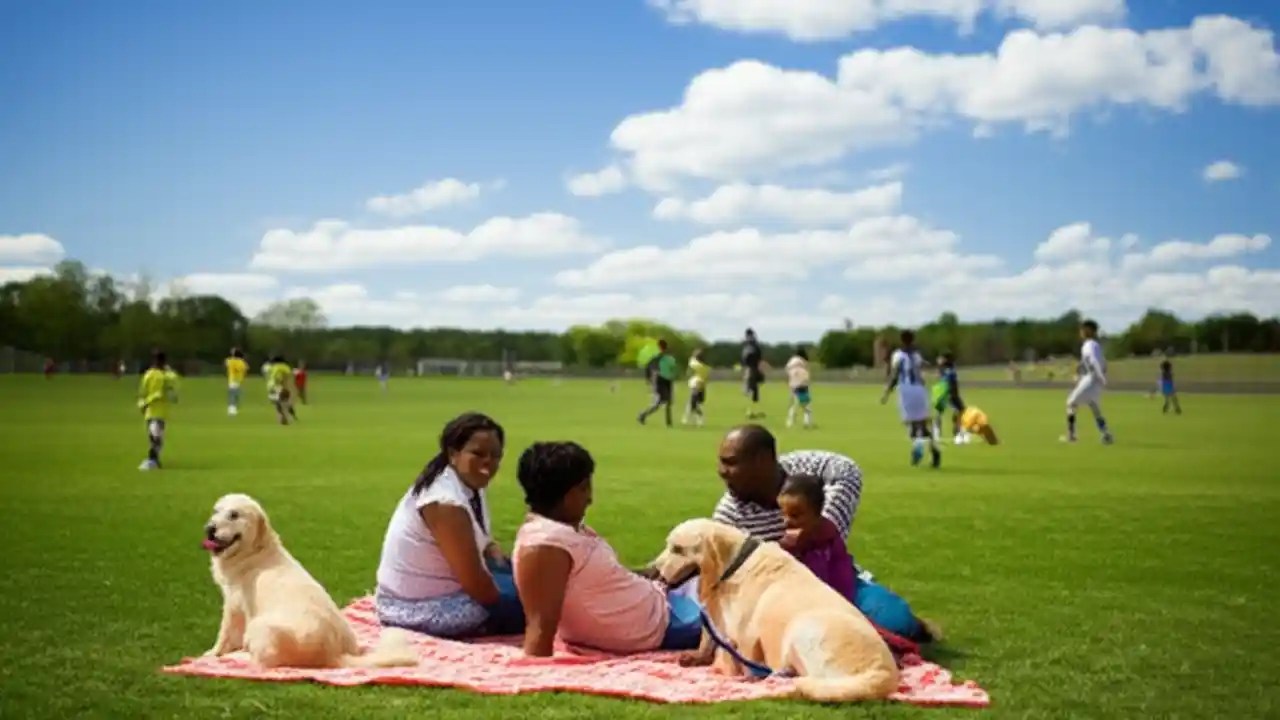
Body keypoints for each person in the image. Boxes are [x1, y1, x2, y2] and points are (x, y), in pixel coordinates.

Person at [512, 441, 701, 656]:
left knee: (705, 568)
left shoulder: (562, 531)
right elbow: (540, 624)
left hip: (658, 605)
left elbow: (596, 582)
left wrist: (646, 575)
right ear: (564, 493)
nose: (590, 498)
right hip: (659, 623)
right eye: (584, 488)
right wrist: (536, 669)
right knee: (734, 590)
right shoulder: (545, 546)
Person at [375, 413, 523, 638]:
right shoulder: (445, 503)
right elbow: (479, 587)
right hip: (413, 609)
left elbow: (481, 543)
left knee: (527, 578)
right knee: (541, 600)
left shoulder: (468, 484)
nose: (489, 462)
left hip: (424, 596)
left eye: (495, 456)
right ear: (453, 454)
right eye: (478, 454)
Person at [778, 474, 938, 643]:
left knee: (894, 619)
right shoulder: (775, 538)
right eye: (782, 514)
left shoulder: (828, 538)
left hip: (845, 594)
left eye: (796, 516)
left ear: (817, 516)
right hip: (807, 604)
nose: (786, 521)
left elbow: (843, 579)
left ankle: (916, 628)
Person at [881, 330, 941, 468]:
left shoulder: (898, 355)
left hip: (906, 390)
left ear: (901, 340)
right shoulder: (917, 355)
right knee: (922, 424)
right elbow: (922, 369)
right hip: (919, 390)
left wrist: (886, 393)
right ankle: (933, 449)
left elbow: (895, 376)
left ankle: (918, 450)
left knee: (912, 425)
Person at [1063, 320, 1114, 444]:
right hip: (1093, 380)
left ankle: (1072, 436)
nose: (1081, 332)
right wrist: (1080, 372)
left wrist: (1101, 377)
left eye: (1083, 329)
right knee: (1095, 408)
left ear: (1089, 330)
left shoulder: (1089, 345)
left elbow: (1094, 362)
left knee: (1071, 403)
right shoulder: (1095, 345)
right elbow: (1101, 363)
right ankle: (1106, 434)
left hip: (1091, 379)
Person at [136, 349, 177, 471]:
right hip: (159, 411)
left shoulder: (149, 375)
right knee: (155, 437)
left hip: (152, 411)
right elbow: (170, 391)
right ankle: (154, 460)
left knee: (154, 436)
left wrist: (143, 404)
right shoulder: (165, 376)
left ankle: (153, 460)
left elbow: (142, 392)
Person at [637, 339, 677, 427]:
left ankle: (668, 422)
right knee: (660, 402)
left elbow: (648, 367)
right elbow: (672, 369)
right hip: (661, 380)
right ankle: (643, 415)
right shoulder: (659, 357)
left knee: (668, 402)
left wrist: (648, 378)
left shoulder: (664, 357)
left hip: (665, 380)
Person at [932, 353, 966, 443]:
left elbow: (939, 374)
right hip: (948, 392)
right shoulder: (949, 370)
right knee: (959, 411)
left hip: (945, 392)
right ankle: (955, 431)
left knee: (943, 412)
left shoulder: (947, 369)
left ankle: (938, 431)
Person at [785, 347, 813, 429]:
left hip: (793, 384)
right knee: (806, 405)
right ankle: (807, 422)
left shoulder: (791, 362)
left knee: (794, 404)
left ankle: (790, 422)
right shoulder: (804, 362)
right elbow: (806, 374)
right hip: (803, 384)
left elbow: (787, 372)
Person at [266, 355, 298, 425]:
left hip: (275, 387)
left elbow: (276, 377)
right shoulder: (286, 367)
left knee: (278, 403)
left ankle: (284, 418)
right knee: (285, 402)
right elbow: (288, 376)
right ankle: (291, 416)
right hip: (283, 386)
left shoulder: (274, 367)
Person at [682, 348, 710, 427]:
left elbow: (689, 370)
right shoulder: (705, 367)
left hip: (695, 385)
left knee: (692, 404)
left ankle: (695, 418)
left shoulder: (695, 364)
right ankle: (688, 418)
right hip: (702, 386)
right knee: (695, 403)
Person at [741, 328, 765, 419]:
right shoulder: (755, 343)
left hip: (749, 368)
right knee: (755, 390)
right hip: (756, 368)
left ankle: (749, 411)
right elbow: (760, 356)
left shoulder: (746, 344)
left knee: (748, 390)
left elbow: (743, 358)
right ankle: (755, 410)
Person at [225, 348, 248, 416]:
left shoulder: (230, 361)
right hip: (239, 381)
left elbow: (227, 364)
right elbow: (245, 369)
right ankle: (233, 409)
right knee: (235, 395)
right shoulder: (242, 362)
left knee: (232, 395)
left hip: (232, 380)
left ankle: (232, 409)